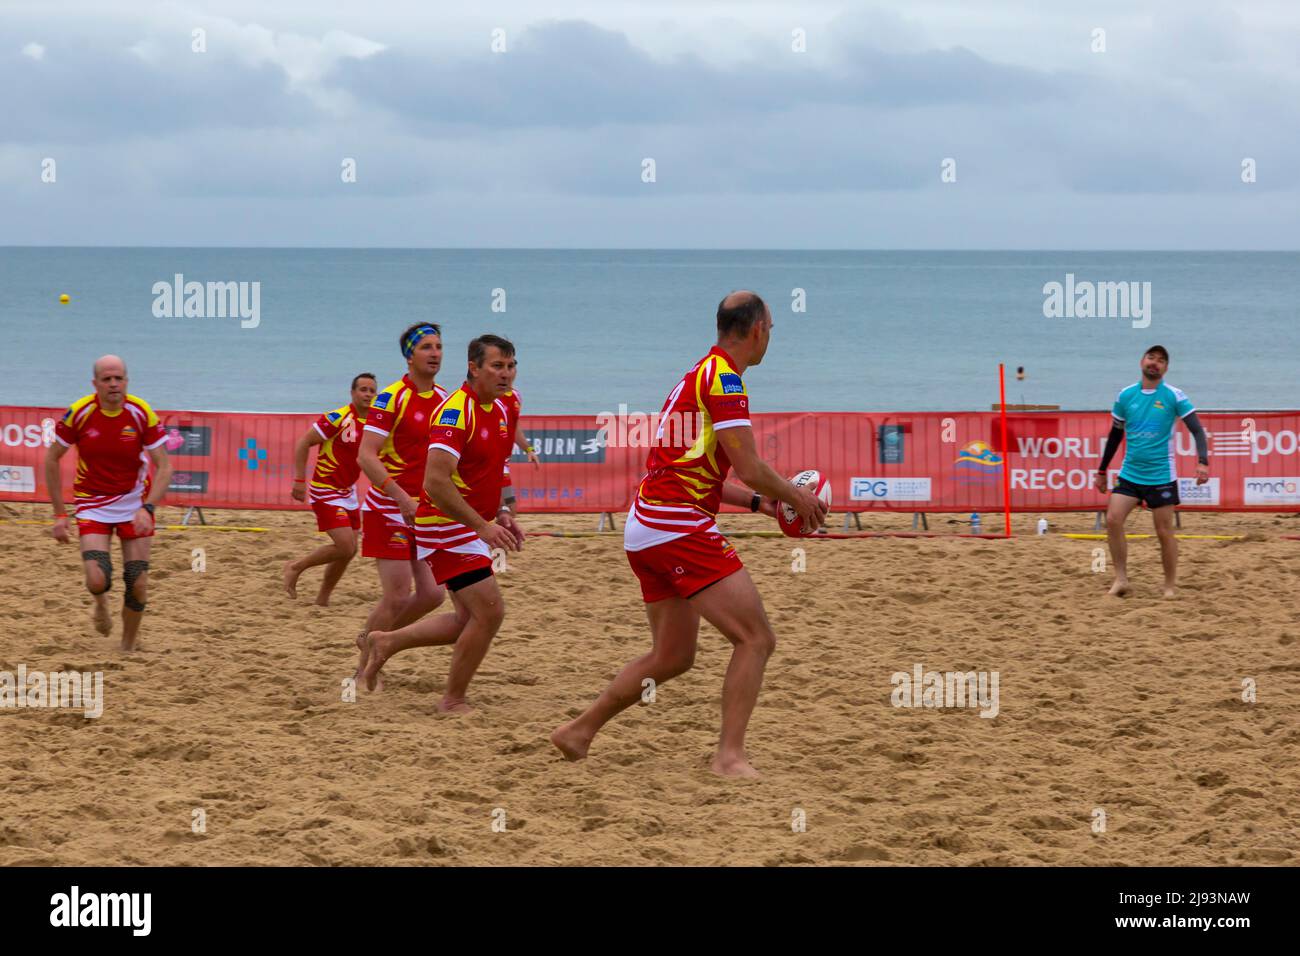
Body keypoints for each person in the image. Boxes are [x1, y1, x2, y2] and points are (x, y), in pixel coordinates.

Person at [551, 292, 827, 777]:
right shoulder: (724, 382)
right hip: (675, 526)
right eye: (773, 328)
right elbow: (751, 466)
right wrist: (796, 497)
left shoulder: (698, 375)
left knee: (673, 656)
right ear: (758, 329)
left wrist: (764, 505)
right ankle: (729, 757)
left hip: (648, 525)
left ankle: (579, 731)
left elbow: (703, 474)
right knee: (756, 639)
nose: (772, 338)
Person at [360, 335, 524, 712]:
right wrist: (481, 527)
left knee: (468, 617)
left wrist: (502, 512)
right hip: (442, 524)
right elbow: (435, 481)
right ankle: (452, 699)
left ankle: (386, 641)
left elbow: (494, 467)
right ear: (474, 367)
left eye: (511, 366)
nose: (506, 374)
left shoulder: (505, 405)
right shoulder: (455, 410)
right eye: (497, 366)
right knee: (490, 612)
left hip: (467, 523)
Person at [44, 355, 173, 650]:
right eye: (107, 379)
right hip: (93, 503)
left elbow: (164, 467)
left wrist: (148, 507)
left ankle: (127, 646)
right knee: (96, 579)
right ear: (96, 384)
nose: (114, 384)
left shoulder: (141, 412)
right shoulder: (79, 413)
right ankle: (100, 603)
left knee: (137, 581)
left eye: (119, 378)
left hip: (135, 502)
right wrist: (59, 514)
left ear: (126, 381)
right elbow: (52, 458)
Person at [354, 324, 449, 685]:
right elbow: (366, 456)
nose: (435, 353)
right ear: (410, 356)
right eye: (426, 347)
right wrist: (400, 497)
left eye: (439, 346)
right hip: (386, 508)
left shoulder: (445, 398)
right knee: (397, 596)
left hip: (423, 510)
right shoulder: (390, 398)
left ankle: (376, 639)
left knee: (433, 595)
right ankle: (362, 670)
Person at [1094, 345, 1209, 598]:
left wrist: (1202, 461)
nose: (1155, 363)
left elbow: (1198, 431)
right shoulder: (1126, 395)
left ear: (1166, 368)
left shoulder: (1174, 395)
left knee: (1164, 531)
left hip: (1161, 476)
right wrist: (1101, 470)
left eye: (1161, 360)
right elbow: (1115, 435)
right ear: (1141, 362)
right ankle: (1121, 579)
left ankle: (1169, 586)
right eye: (1151, 358)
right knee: (1113, 520)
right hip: (1130, 473)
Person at [282, 373, 377, 605]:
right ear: (352, 393)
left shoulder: (377, 421)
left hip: (348, 492)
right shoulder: (338, 417)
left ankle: (323, 598)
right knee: (345, 546)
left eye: (371, 390)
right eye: (362, 389)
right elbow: (304, 442)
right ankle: (296, 567)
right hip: (325, 489)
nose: (367, 394)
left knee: (350, 550)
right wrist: (299, 480)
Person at [498, 367, 540, 516]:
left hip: (504, 464)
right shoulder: (492, 397)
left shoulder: (515, 396)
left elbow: (514, 427)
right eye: (502, 366)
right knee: (507, 511)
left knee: (508, 512)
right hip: (492, 465)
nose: (508, 372)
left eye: (511, 367)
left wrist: (529, 449)